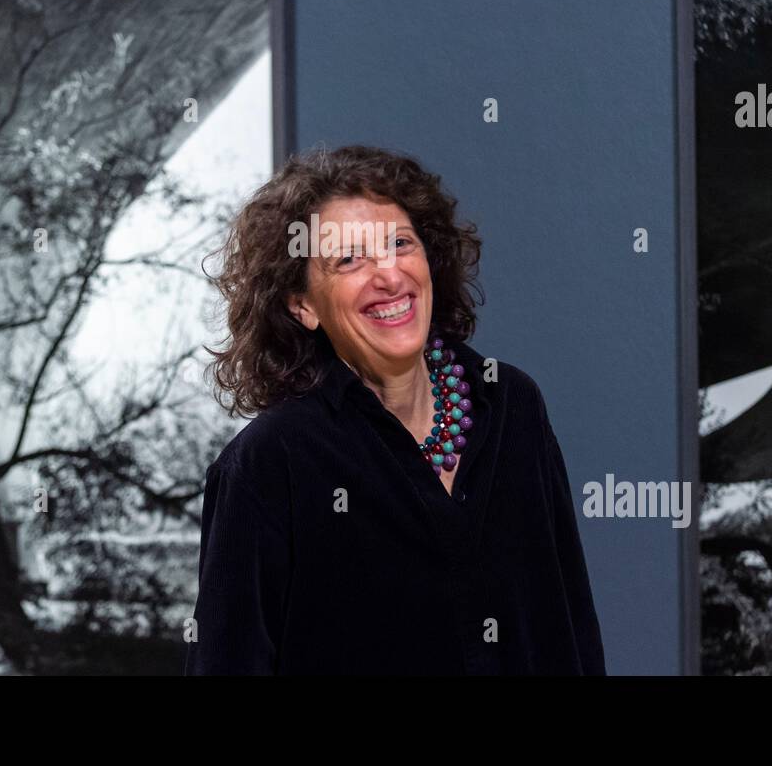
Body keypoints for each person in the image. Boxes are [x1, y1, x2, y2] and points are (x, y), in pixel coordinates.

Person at [184, 144, 605, 675]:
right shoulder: (270, 462)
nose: (388, 275)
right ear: (303, 305)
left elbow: (571, 626)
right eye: (349, 259)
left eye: (400, 243)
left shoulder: (512, 405)